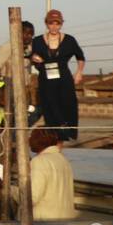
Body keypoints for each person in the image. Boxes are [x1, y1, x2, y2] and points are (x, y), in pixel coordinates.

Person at [30, 9, 85, 141]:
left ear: (61, 24)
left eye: (57, 23)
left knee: (68, 103)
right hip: (46, 77)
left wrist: (79, 72)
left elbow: (80, 57)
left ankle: (67, 133)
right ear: (46, 24)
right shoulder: (37, 40)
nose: (54, 26)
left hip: (64, 77)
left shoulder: (69, 40)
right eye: (51, 23)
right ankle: (53, 134)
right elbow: (32, 56)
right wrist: (35, 58)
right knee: (49, 104)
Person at [28, 127, 76, 220]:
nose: (29, 140)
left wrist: (6, 187)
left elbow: (32, 197)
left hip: (45, 222)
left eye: (32, 137)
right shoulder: (63, 159)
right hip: (65, 222)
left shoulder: (39, 161)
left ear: (41, 141)